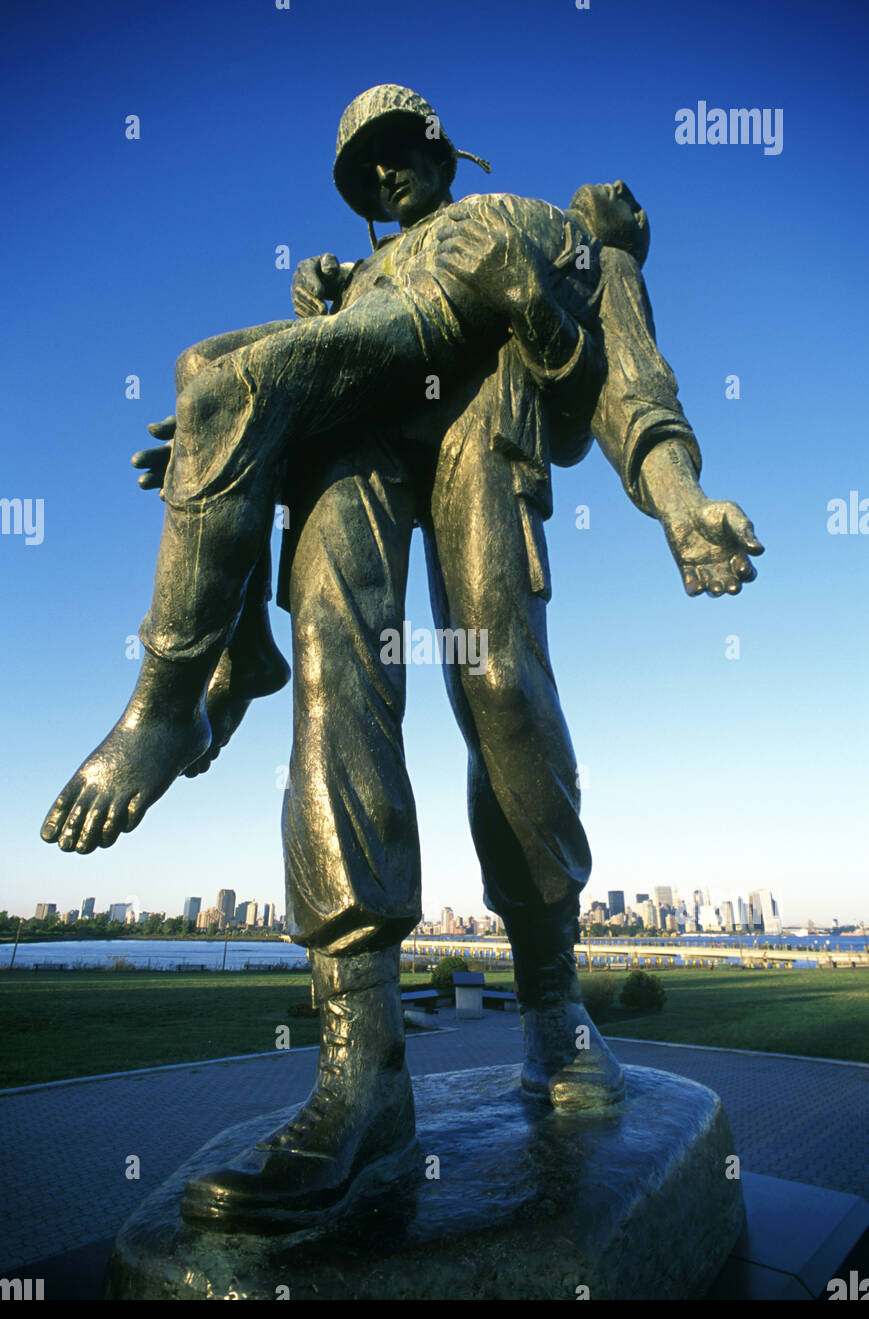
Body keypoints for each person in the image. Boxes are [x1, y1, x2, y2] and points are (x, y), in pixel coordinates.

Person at [41, 86, 763, 1231]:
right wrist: (244, 417)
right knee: (336, 685)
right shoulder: (347, 284)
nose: (384, 177)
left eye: (399, 153)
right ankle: (360, 1076)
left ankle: (553, 1011)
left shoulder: (519, 222)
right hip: (356, 442)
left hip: (482, 423)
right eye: (361, 167)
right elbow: (280, 382)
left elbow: (624, 384)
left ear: (439, 151)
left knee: (501, 693)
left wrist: (679, 505)